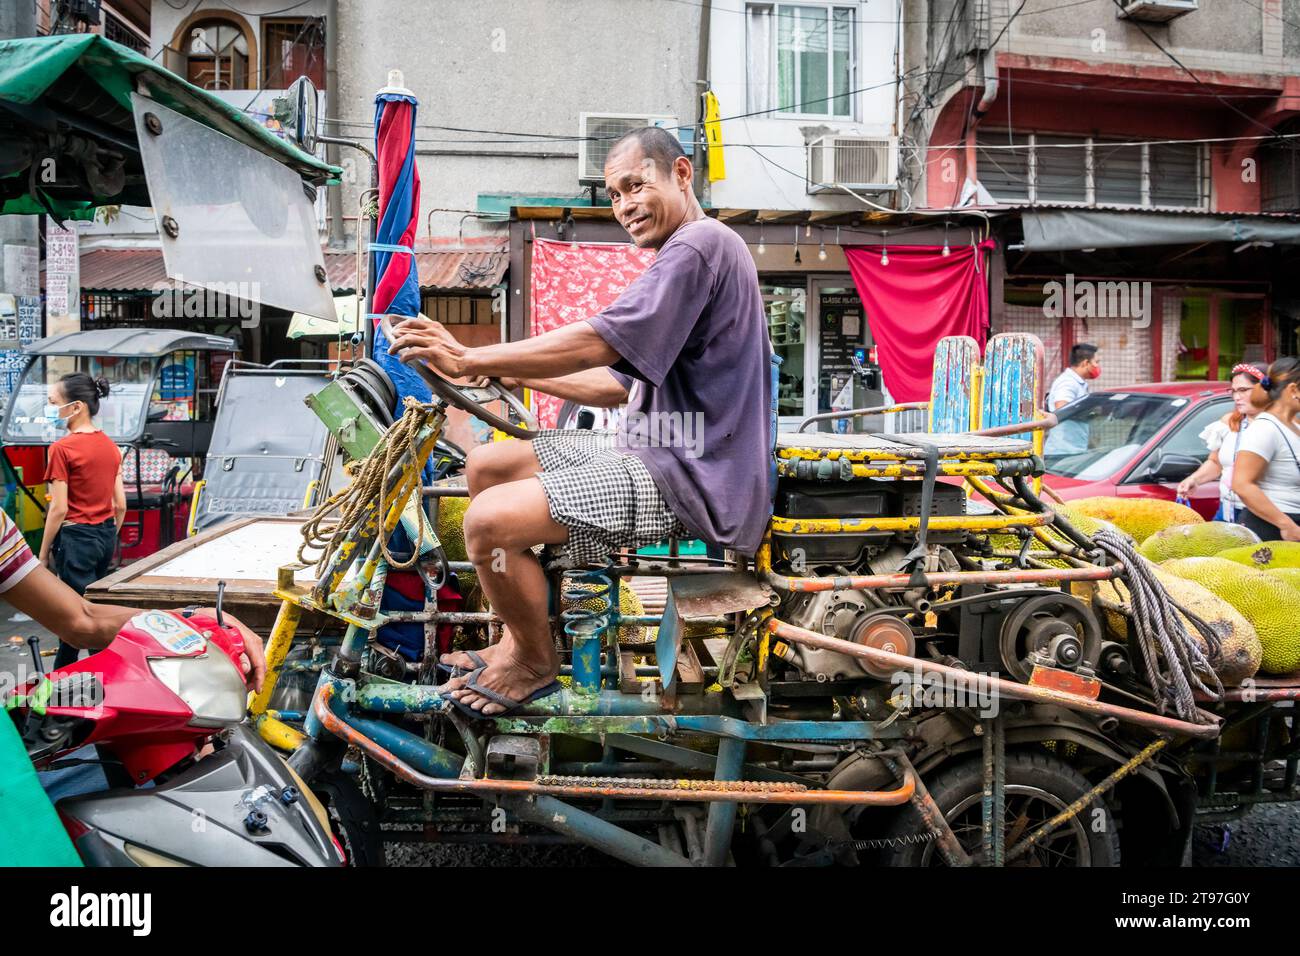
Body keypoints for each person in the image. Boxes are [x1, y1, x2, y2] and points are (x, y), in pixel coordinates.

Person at [387, 126, 771, 716]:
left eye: (637, 186)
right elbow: (614, 384)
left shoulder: (699, 246)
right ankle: (516, 636)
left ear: (683, 174)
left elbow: (598, 341)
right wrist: (508, 375)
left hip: (691, 473)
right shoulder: (690, 254)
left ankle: (536, 664)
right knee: (486, 465)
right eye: (615, 194)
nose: (625, 206)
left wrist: (471, 357)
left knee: (488, 523)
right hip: (652, 448)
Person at [37, 373, 126, 669]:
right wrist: (108, 535)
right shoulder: (110, 447)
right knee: (90, 613)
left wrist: (42, 551)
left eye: (53, 403)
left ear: (76, 407)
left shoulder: (62, 449)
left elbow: (59, 509)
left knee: (76, 619)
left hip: (76, 540)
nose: (50, 409)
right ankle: (87, 679)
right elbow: (120, 505)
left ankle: (74, 683)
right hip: (104, 538)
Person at [1176, 363, 1266, 522]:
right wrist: (1194, 480)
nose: (1237, 397)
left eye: (1243, 390)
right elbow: (1216, 462)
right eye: (1233, 391)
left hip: (1261, 514)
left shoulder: (1277, 428)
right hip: (1226, 509)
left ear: (1264, 389)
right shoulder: (1229, 423)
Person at [1232, 357, 1300, 541]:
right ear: (1293, 390)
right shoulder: (1265, 428)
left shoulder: (1294, 425)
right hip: (1273, 530)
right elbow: (1242, 484)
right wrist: (1286, 525)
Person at [1043, 343, 1100, 455]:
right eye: (1096, 362)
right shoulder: (1068, 382)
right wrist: (1091, 412)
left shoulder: (1078, 383)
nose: (1097, 366)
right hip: (1062, 452)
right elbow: (1062, 407)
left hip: (1072, 449)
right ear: (1085, 363)